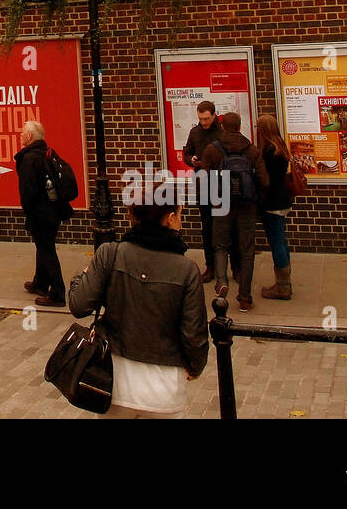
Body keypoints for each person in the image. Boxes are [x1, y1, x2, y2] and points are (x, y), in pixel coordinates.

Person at [68, 198, 209, 418]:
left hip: (113, 382)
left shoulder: (110, 254)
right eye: (180, 215)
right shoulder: (187, 270)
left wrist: (82, 276)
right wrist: (195, 366)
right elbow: (194, 333)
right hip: (164, 388)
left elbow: (79, 304)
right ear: (171, 219)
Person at [202, 112, 269, 311]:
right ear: (240, 126)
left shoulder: (213, 150)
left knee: (220, 246)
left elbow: (203, 179)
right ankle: (245, 298)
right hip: (247, 206)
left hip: (221, 204)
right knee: (247, 251)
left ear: (222, 126)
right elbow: (264, 181)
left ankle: (222, 282)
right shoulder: (251, 150)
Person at [13, 119, 72, 307]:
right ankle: (40, 283)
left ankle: (57, 293)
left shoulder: (29, 159)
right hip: (53, 210)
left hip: (41, 213)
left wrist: (30, 214)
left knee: (47, 250)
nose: (20, 135)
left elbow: (27, 192)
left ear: (29, 137)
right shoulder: (45, 154)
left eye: (23, 132)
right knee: (43, 245)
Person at [181, 100, 230, 283]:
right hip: (203, 183)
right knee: (207, 226)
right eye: (201, 119)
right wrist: (190, 159)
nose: (204, 122)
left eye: (207, 118)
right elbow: (187, 152)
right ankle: (210, 267)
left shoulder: (223, 131)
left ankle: (235, 267)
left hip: (222, 182)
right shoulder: (195, 132)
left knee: (226, 226)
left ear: (214, 115)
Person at [255, 113, 294, 301]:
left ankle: (282, 286)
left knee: (276, 241)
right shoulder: (281, 147)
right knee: (281, 240)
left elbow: (266, 181)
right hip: (283, 200)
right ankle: (285, 282)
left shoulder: (268, 151)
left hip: (272, 202)